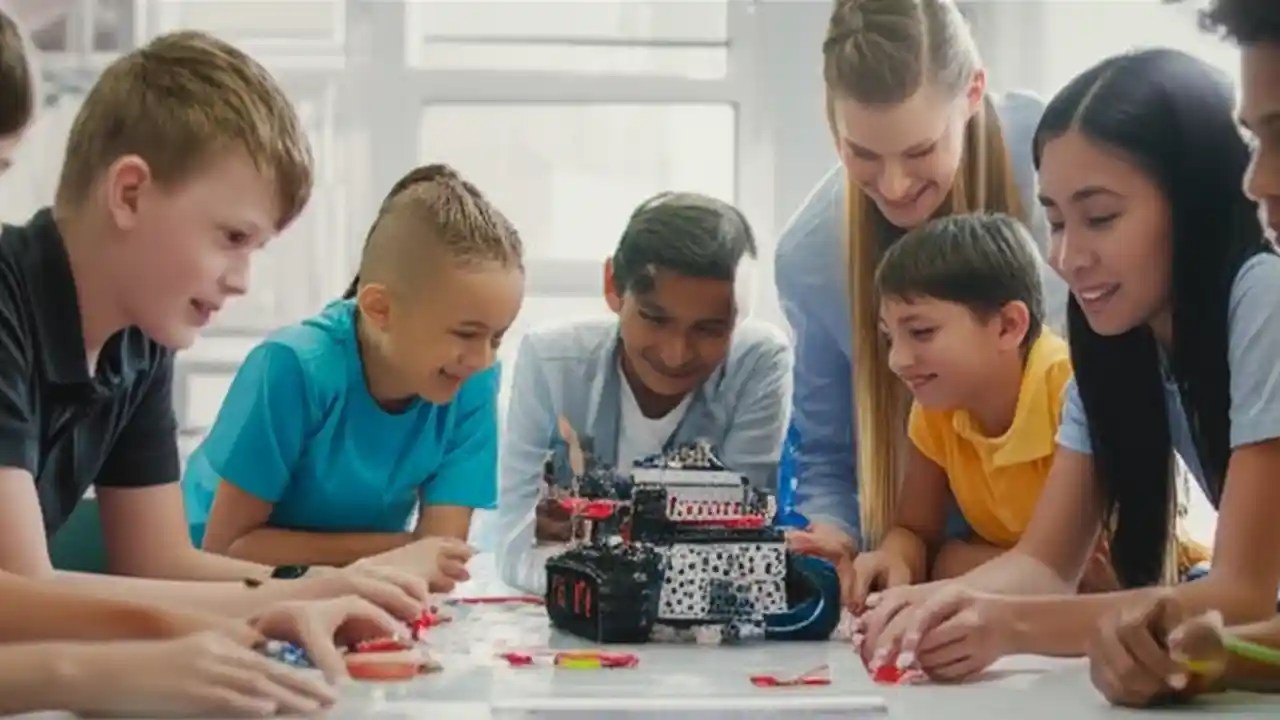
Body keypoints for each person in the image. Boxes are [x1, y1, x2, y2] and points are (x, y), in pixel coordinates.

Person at [0, 17, 428, 717]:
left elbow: (155, 560)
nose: (241, 280)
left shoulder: (140, 338)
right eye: (232, 238)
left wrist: (303, 589)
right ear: (129, 194)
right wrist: (263, 606)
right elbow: (20, 591)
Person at [856, 48, 1280, 707]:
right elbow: (1046, 565)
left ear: (1191, 203)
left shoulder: (1263, 294)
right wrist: (937, 603)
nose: (1066, 256)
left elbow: (1242, 592)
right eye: (1054, 220)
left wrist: (1009, 625)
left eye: (1100, 217)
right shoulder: (1117, 345)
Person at [776, 0, 1068, 584]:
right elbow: (827, 452)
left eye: (920, 151)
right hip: (924, 564)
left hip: (1070, 549)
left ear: (973, 93)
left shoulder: (1057, 162)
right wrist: (832, 534)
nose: (894, 186)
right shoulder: (812, 259)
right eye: (862, 154)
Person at [184, 163, 522, 584]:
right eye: (466, 334)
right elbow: (228, 548)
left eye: (497, 337)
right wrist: (398, 550)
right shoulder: (293, 367)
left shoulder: (470, 381)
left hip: (347, 583)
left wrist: (406, 554)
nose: (482, 359)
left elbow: (439, 554)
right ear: (380, 309)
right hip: (212, 583)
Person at [1089, 0, 1280, 701]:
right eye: (1255, 142)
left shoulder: (1261, 293)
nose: (1257, 182)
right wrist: (1209, 656)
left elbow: (1246, 588)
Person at [495, 191, 792, 593]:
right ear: (613, 287)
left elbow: (740, 542)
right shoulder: (551, 362)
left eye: (710, 330)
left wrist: (601, 573)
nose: (676, 354)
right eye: (654, 318)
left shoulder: (758, 363)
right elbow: (516, 547)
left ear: (739, 319)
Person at [849, 212, 1123, 609]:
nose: (897, 360)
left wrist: (958, 562)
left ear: (1008, 326)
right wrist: (895, 558)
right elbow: (915, 530)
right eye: (890, 337)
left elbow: (1100, 576)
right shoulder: (938, 406)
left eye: (921, 332)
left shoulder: (1070, 391)